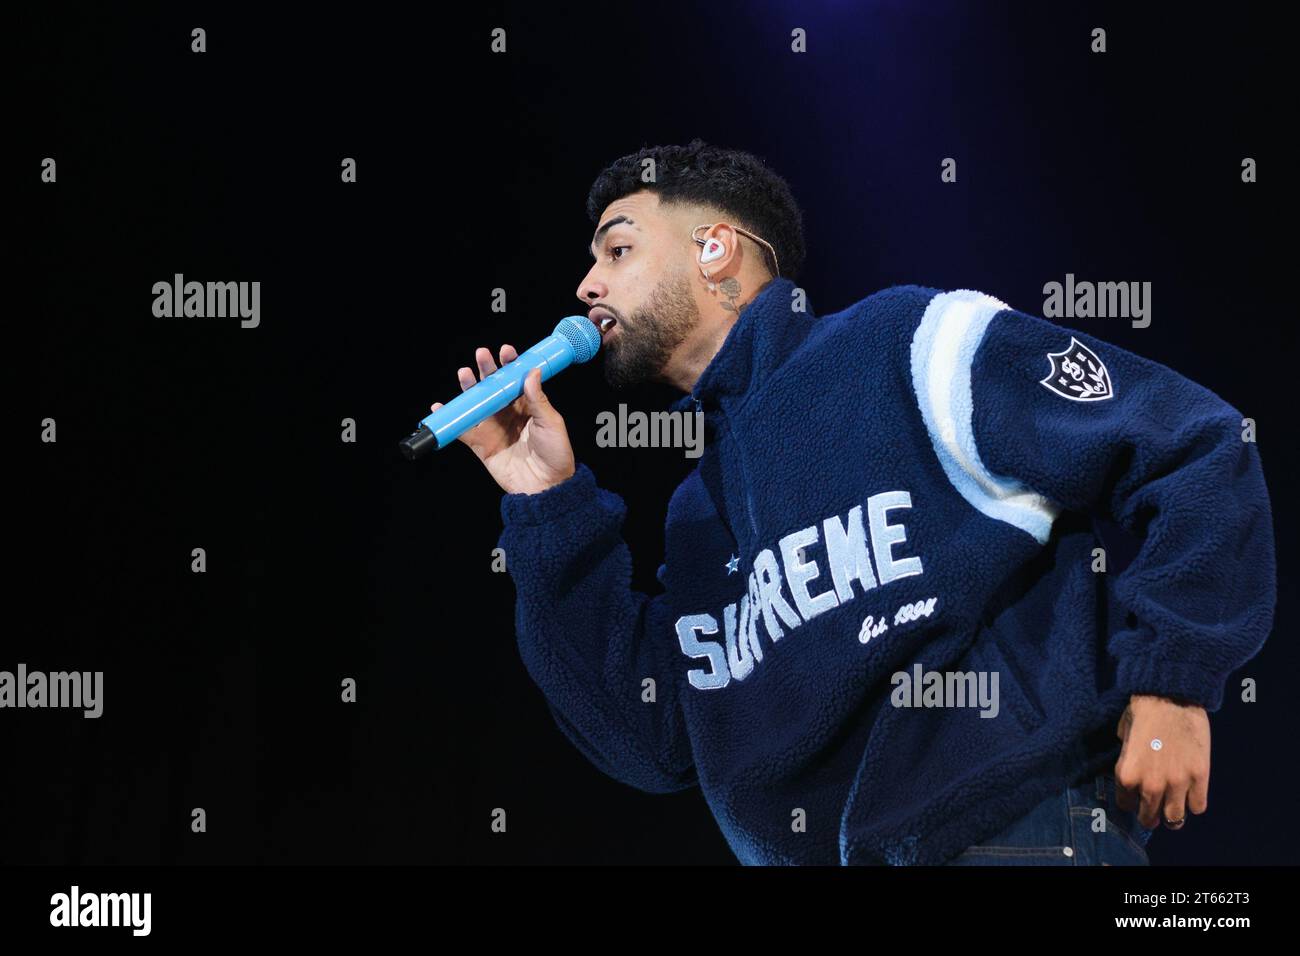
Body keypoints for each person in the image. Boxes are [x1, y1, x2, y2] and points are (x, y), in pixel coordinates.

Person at [430, 140, 1276, 865]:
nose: (584, 284)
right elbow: (647, 740)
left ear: (716, 247)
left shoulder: (908, 344)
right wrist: (546, 504)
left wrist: (1173, 679)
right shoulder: (698, 513)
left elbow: (1192, 440)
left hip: (1011, 835)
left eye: (616, 250)